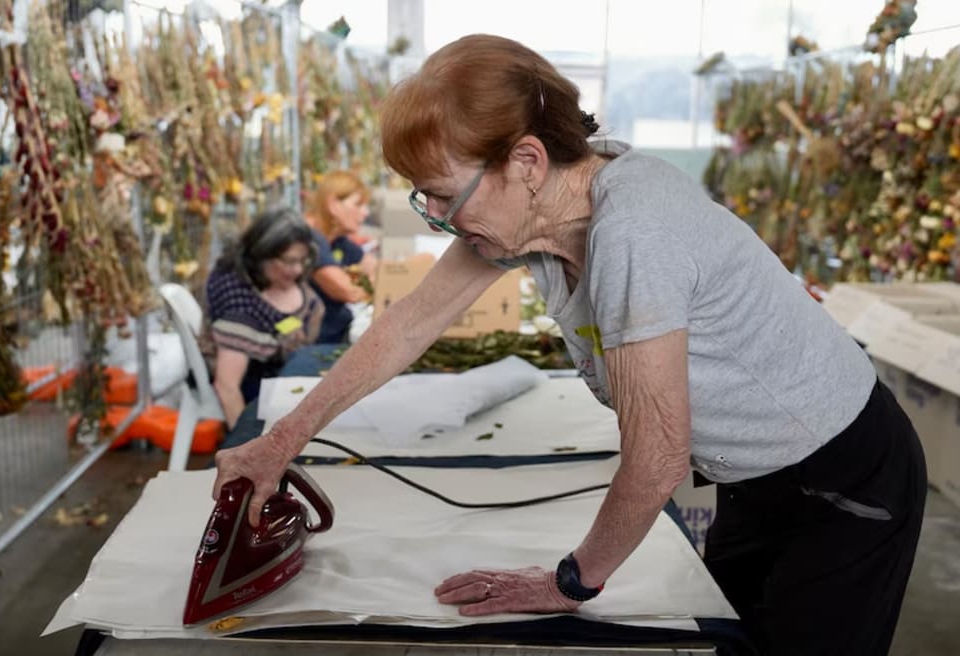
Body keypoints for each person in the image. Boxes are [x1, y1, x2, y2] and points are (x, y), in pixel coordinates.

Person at [213, 34, 926, 656]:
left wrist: (571, 579)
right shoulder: (538, 214)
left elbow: (656, 458)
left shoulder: (635, 228)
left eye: (440, 194)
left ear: (526, 161)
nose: (434, 216)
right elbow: (406, 325)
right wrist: (283, 440)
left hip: (846, 477)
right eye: (420, 197)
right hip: (753, 476)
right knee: (734, 639)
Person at [205, 209, 324, 429]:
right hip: (254, 387)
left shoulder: (273, 278)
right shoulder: (237, 302)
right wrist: (247, 444)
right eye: (288, 262)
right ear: (262, 255)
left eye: (302, 261)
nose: (297, 270)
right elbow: (227, 387)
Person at [304, 170, 377, 343]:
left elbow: (377, 269)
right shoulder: (306, 239)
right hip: (308, 343)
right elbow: (347, 292)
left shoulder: (337, 240)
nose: (365, 213)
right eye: (358, 205)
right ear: (333, 205)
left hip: (334, 332)